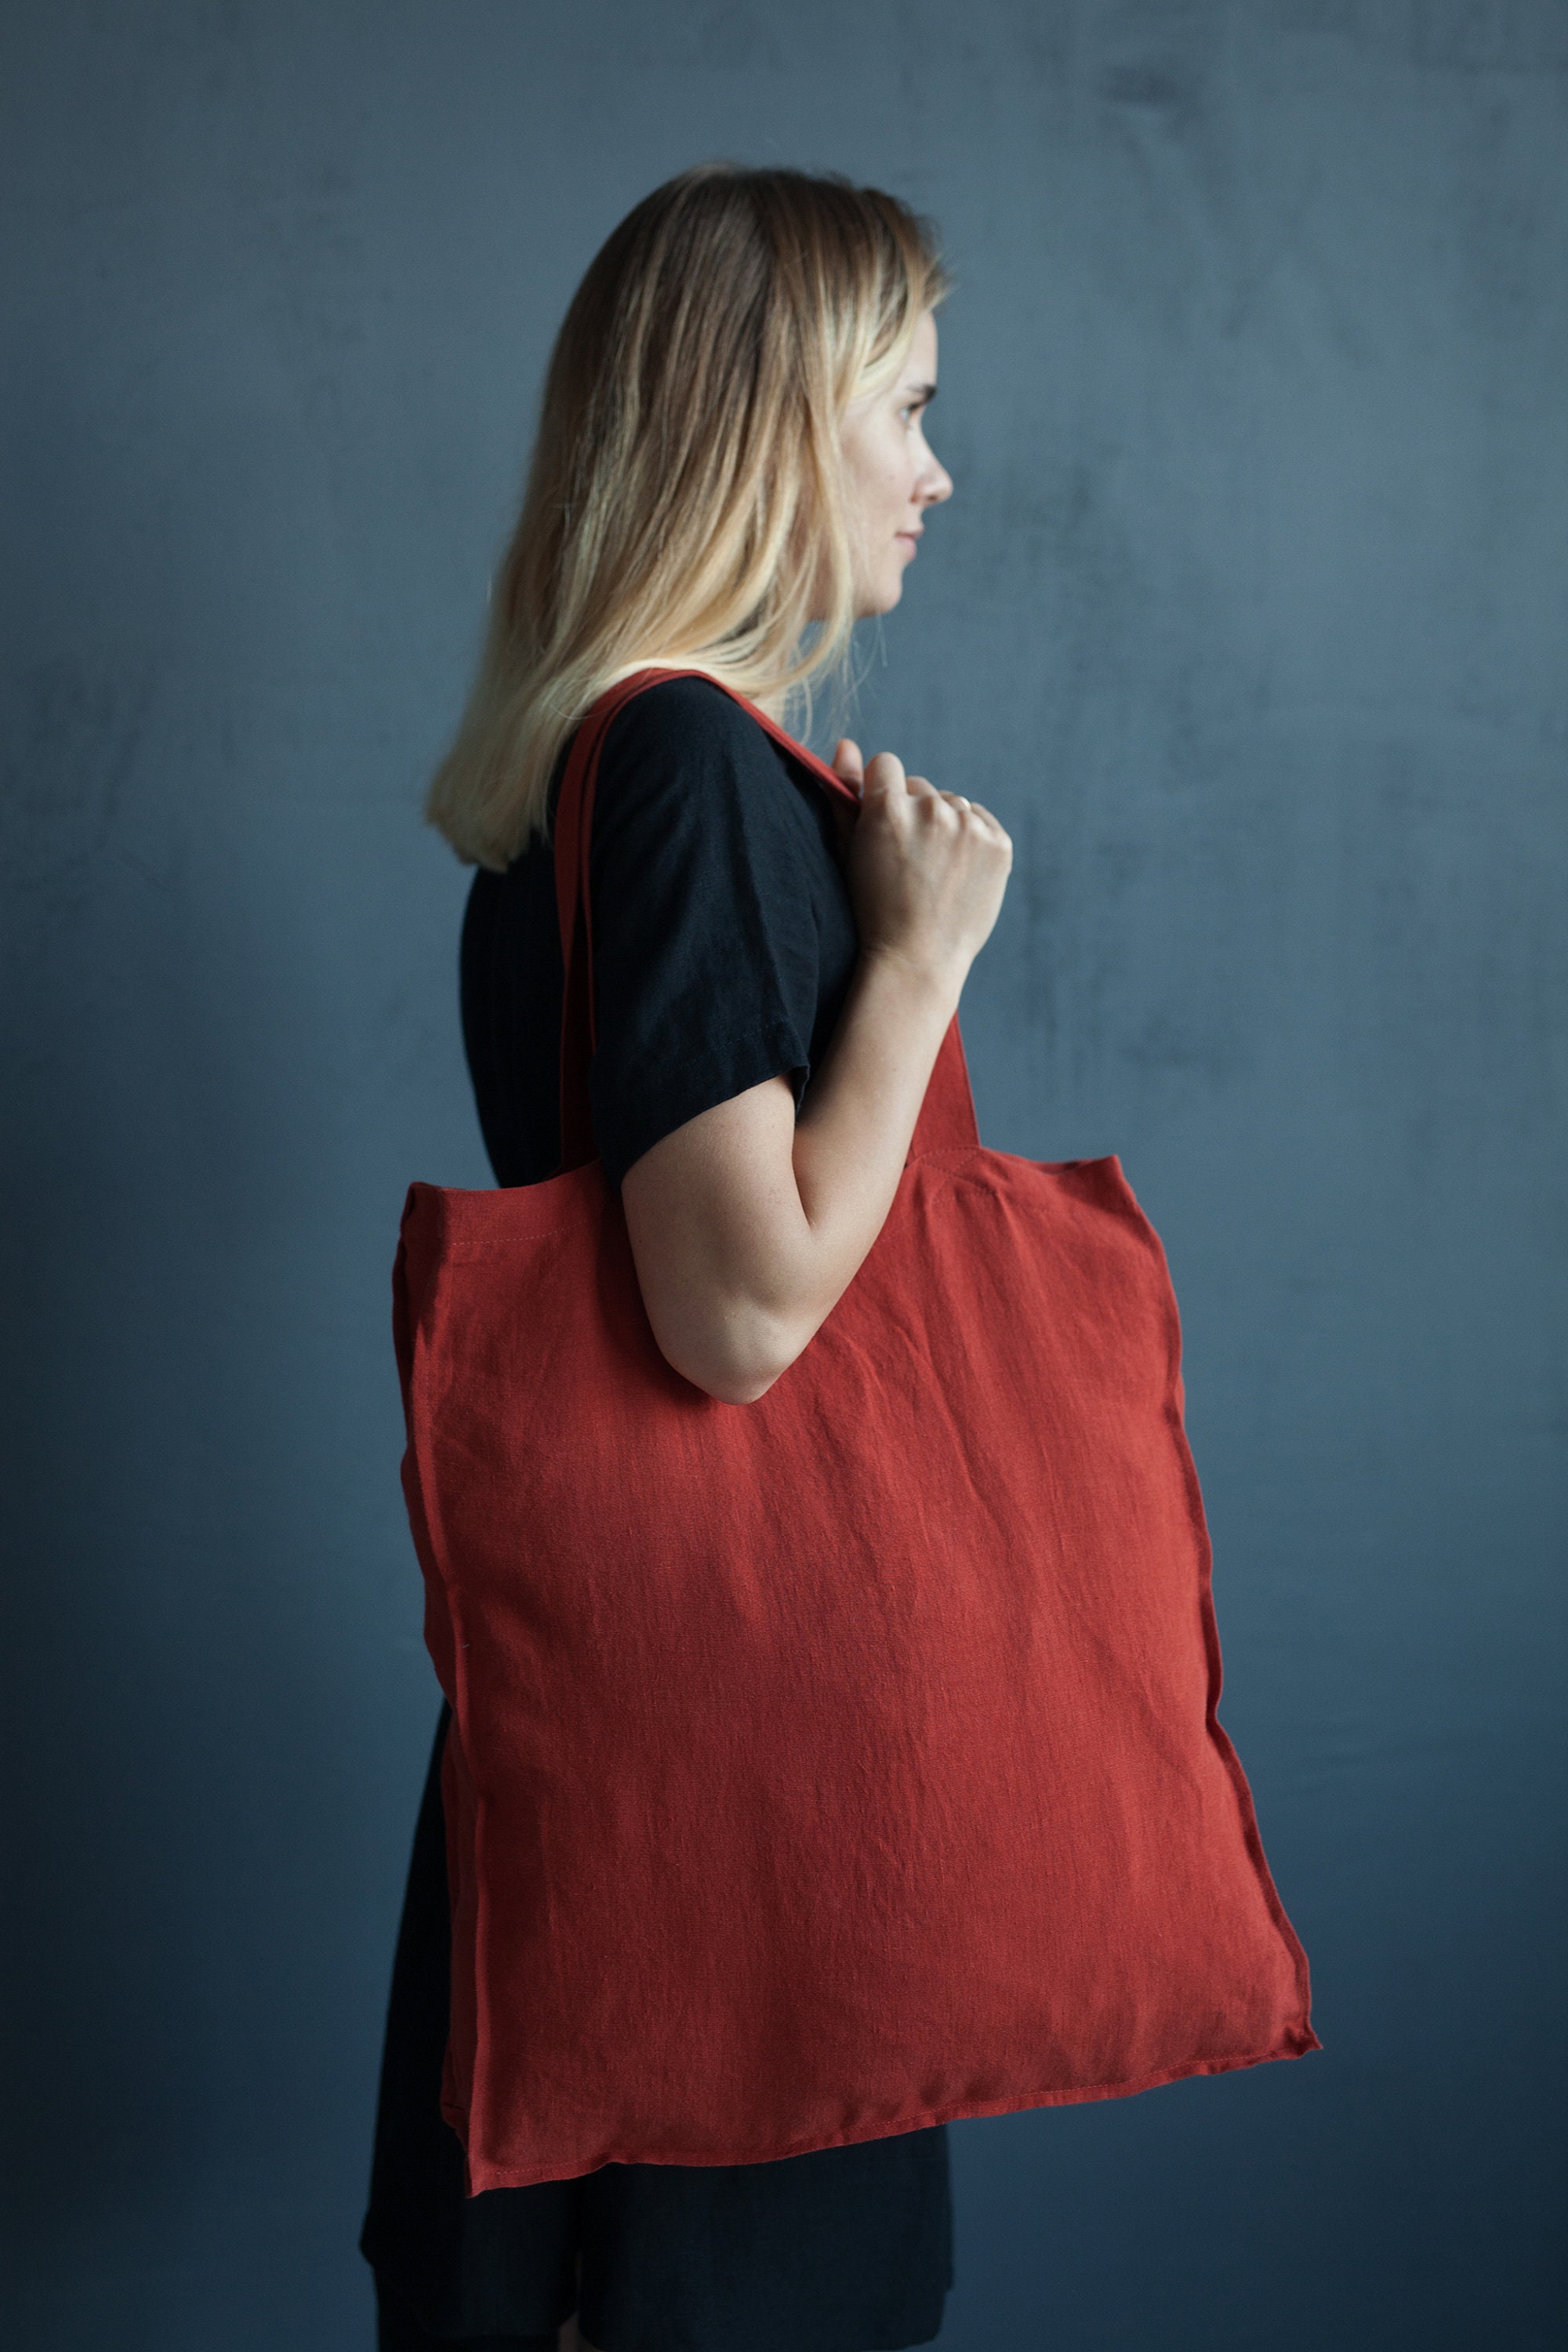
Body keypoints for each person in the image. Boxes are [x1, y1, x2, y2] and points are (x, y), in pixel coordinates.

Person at [361, 162, 1013, 2352]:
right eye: (905, 406)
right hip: (721, 1853)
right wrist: (914, 967)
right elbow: (736, 1313)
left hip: (617, 1789)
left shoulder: (584, 778)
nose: (942, 467)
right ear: (770, 422)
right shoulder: (688, 776)